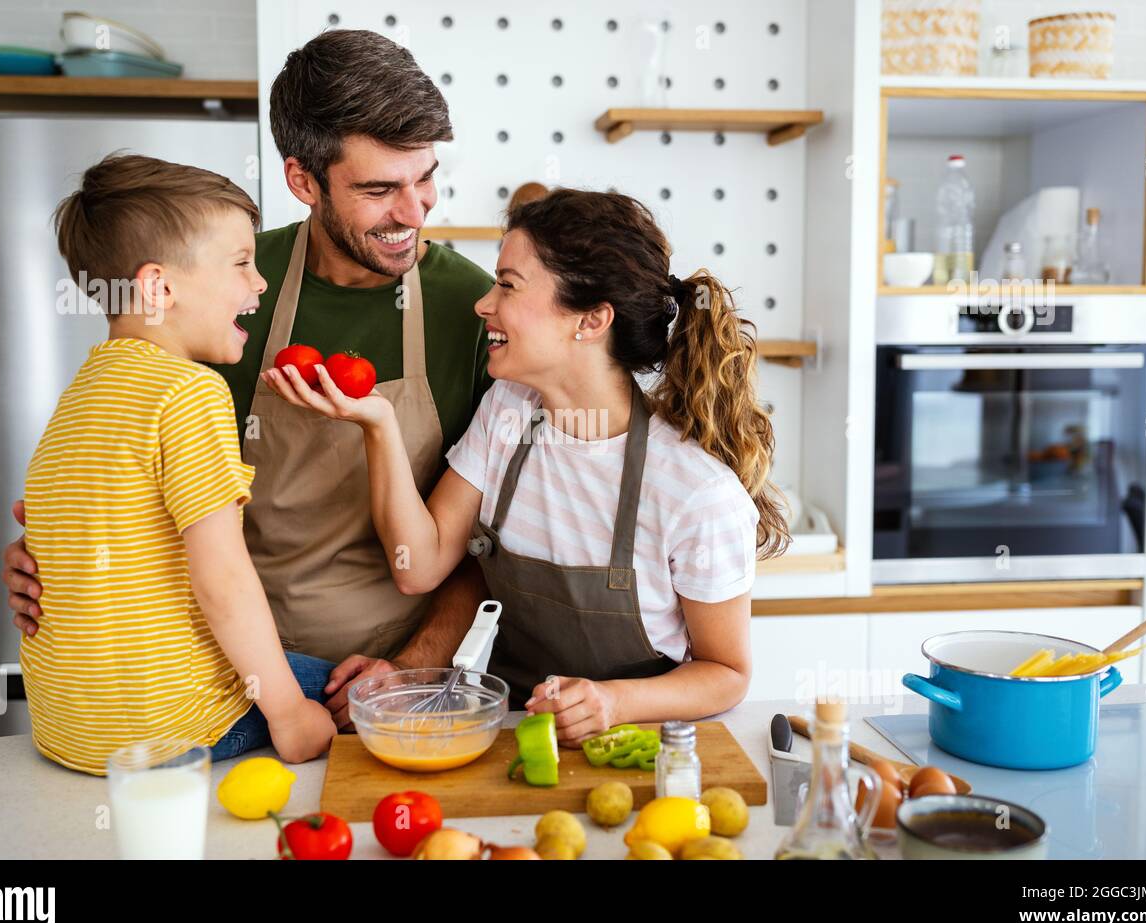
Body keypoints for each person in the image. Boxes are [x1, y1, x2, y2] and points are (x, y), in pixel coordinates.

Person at [1, 29, 496, 728]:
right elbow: (129, 462)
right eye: (381, 189)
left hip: (392, 691)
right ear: (302, 180)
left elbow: (496, 548)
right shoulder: (221, 286)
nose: (416, 213)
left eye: (426, 178)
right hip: (212, 679)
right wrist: (55, 554)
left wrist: (415, 666)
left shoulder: (470, 310)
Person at [265, 188, 789, 743]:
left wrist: (613, 700)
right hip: (509, 734)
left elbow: (727, 674)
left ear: (590, 321)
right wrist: (379, 426)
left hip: (634, 748)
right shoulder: (509, 410)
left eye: (507, 285)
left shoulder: (693, 490)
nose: (482, 303)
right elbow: (417, 565)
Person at [22, 154, 335, 774]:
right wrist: (289, 715)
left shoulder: (80, 393)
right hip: (169, 728)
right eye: (241, 263)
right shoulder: (189, 392)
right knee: (353, 686)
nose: (259, 283)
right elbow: (221, 578)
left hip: (69, 730)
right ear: (159, 287)